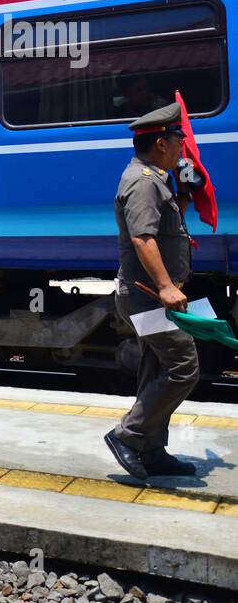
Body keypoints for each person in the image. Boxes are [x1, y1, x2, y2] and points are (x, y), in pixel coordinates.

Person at [104, 102, 200, 480]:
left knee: (156, 366)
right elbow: (143, 239)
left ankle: (151, 449)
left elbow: (166, 226)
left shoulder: (155, 179)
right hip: (148, 295)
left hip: (152, 294)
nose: (182, 147)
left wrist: (185, 192)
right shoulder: (143, 182)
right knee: (183, 365)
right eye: (179, 141)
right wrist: (164, 286)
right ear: (162, 142)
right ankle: (127, 435)